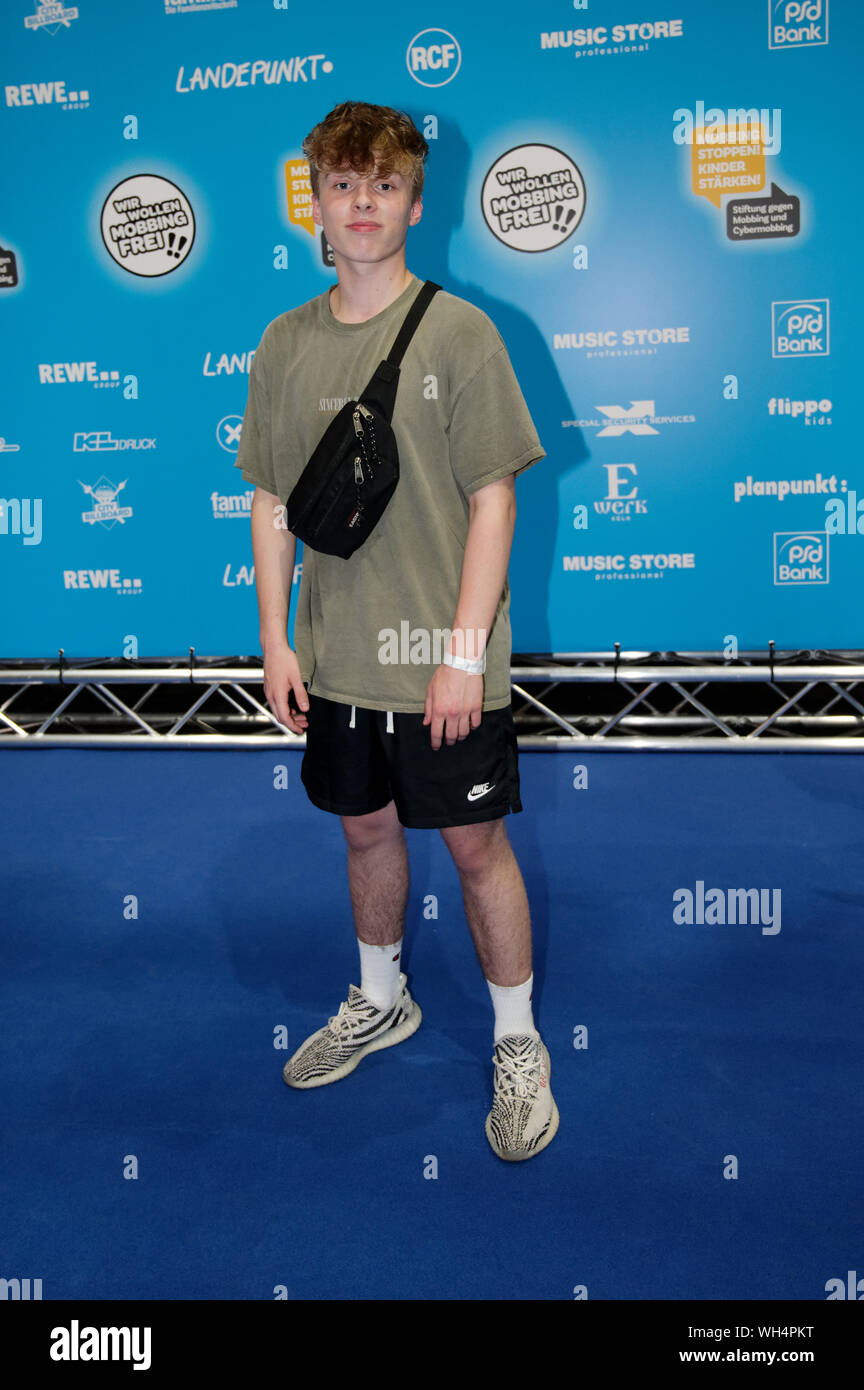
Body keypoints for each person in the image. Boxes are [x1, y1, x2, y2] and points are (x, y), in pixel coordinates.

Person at [234, 100, 558, 1161]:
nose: (360, 203)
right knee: (364, 831)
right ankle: (381, 998)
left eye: (381, 185)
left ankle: (517, 1039)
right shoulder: (282, 342)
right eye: (341, 185)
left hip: (443, 668)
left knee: (474, 847)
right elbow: (274, 501)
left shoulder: (464, 334)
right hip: (337, 658)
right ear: (314, 206)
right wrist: (280, 643)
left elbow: (494, 502)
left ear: (415, 203)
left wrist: (464, 654)